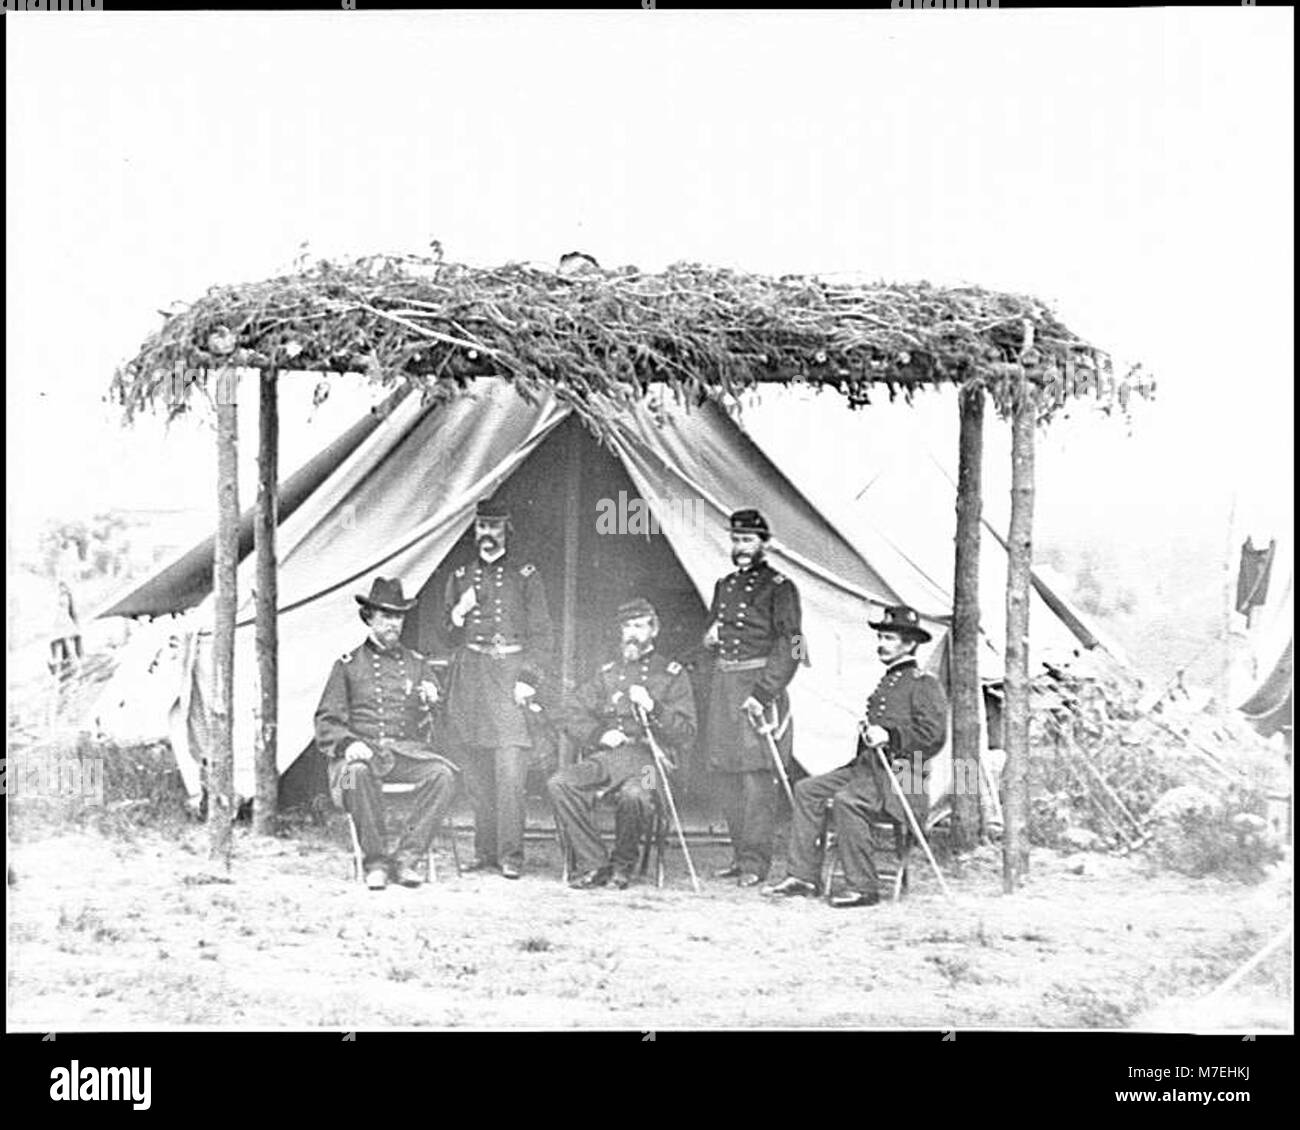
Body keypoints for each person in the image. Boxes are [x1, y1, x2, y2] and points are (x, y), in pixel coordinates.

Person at [762, 605, 948, 908]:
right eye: (881, 637)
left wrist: (891, 736)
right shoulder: (889, 682)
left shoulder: (924, 683)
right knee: (807, 790)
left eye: (889, 638)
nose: (881, 644)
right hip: (868, 770)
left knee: (849, 801)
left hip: (904, 777)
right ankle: (803, 877)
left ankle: (863, 887)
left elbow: (934, 737)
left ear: (910, 643)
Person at [314, 577, 459, 890]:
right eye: (387, 616)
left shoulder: (417, 664)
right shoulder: (347, 666)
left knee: (444, 776)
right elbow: (326, 722)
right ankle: (375, 862)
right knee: (357, 774)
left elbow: (436, 725)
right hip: (345, 771)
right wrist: (349, 743)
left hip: (399, 757)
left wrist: (433, 703)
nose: (394, 623)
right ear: (369, 618)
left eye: (398, 616)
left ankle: (407, 858)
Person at [547, 598, 697, 890]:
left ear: (654, 630)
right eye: (626, 626)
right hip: (611, 757)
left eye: (639, 626)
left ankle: (623, 864)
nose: (632, 633)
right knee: (560, 783)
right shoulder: (608, 675)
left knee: (637, 795)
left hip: (653, 764)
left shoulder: (673, 675)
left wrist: (653, 706)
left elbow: (686, 732)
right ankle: (595, 862)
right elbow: (569, 710)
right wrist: (597, 736)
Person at [443, 499, 554, 879]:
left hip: (510, 680)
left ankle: (511, 856)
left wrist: (528, 679)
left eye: (494, 528)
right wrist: (457, 612)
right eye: (481, 528)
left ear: (507, 529)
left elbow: (543, 635)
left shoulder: (526, 575)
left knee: (510, 775)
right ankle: (484, 852)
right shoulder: (460, 575)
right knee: (476, 774)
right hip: (472, 680)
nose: (486, 535)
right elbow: (447, 635)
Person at [701, 508, 804, 887]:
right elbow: (711, 636)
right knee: (726, 774)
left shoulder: (780, 587)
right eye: (736, 539)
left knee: (757, 780)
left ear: (764, 544)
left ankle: (756, 863)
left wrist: (764, 692)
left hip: (760, 690)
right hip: (724, 688)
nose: (740, 547)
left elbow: (793, 644)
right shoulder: (724, 586)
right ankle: (738, 854)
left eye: (747, 540)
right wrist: (708, 639)